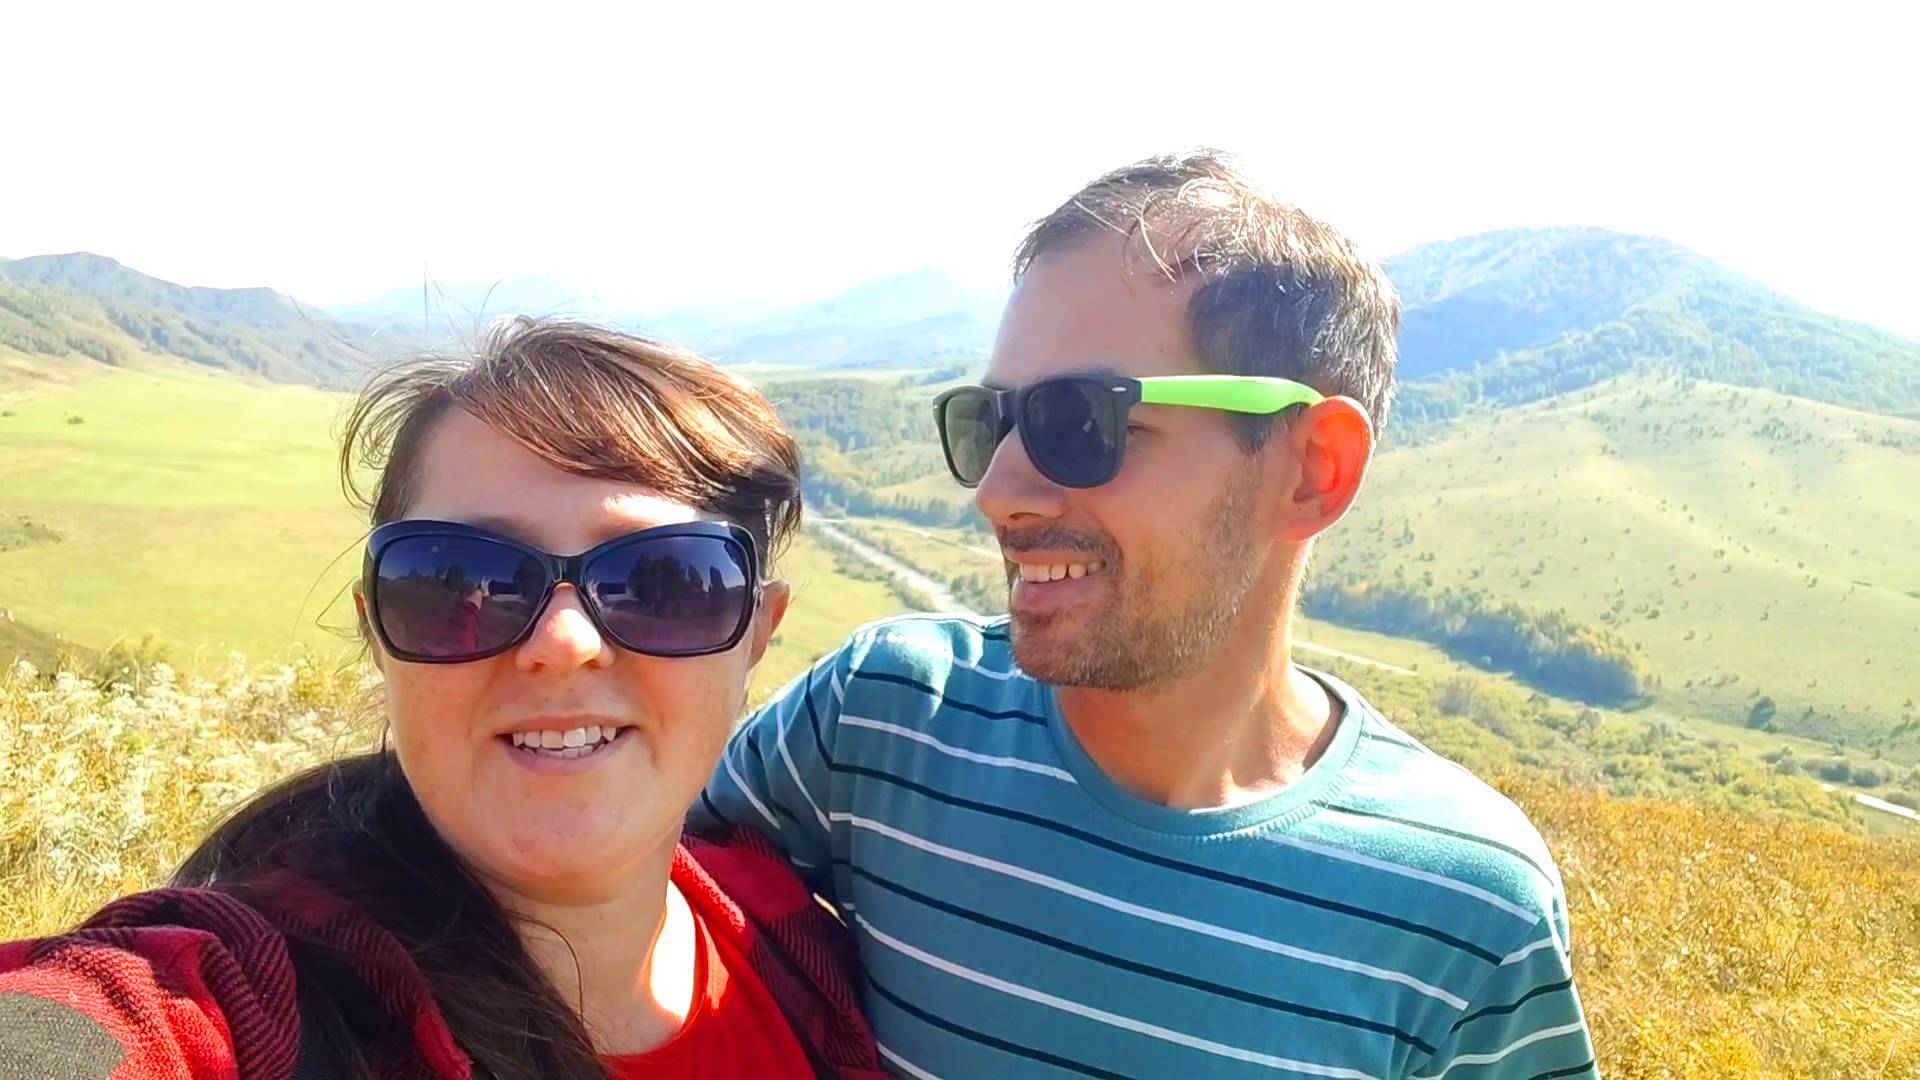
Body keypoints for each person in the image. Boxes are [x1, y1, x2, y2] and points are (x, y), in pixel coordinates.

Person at [697, 151, 1598, 1078]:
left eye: (1079, 423)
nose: (998, 493)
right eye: (990, 422)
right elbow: (635, 906)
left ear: (1312, 470)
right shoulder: (882, 721)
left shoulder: (1465, 907)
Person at [0, 321, 882, 1079]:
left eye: (664, 581)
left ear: (758, 630)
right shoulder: (246, 999)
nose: (562, 642)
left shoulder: (791, 934)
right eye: (461, 580)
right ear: (379, 632)